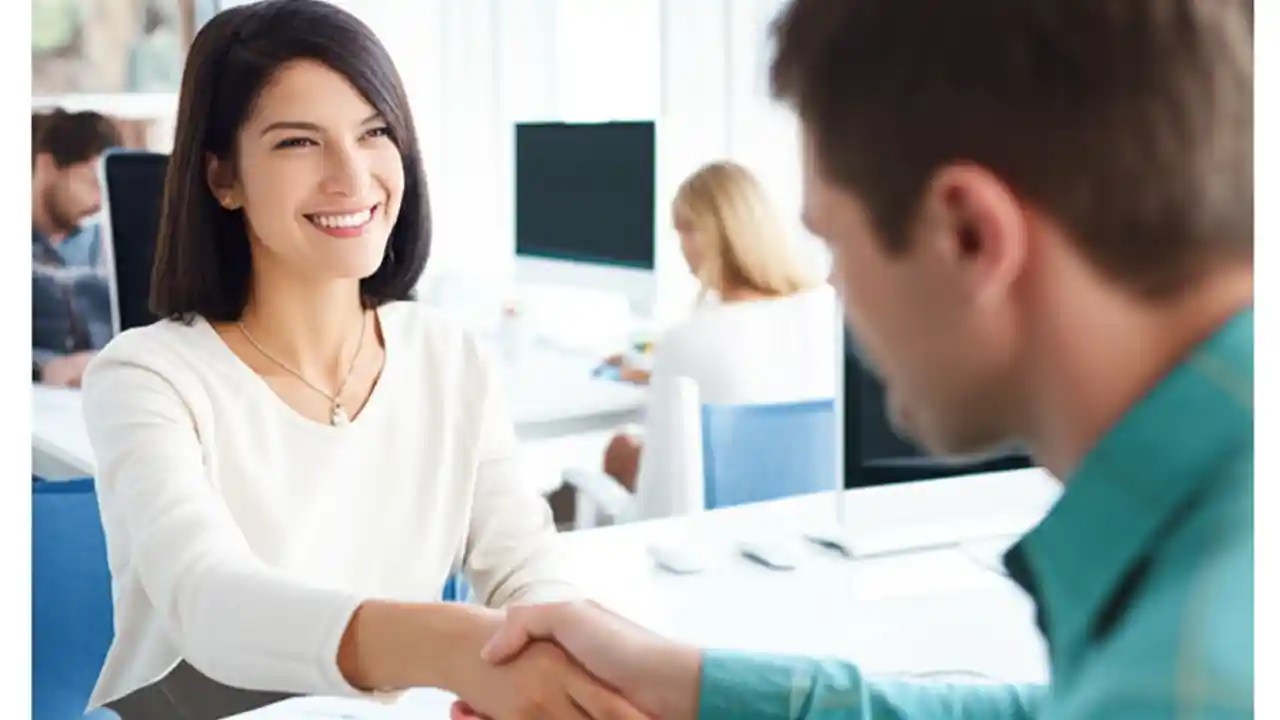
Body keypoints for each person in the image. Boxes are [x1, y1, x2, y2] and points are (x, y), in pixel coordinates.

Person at [463, 0, 1254, 718]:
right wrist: (694, 689)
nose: (834, 284)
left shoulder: (1189, 676)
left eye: (835, 239)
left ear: (968, 237)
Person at [80, 2, 643, 718]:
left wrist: (562, 665)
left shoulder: (448, 356)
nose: (353, 176)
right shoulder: (146, 376)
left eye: (374, 132)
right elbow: (210, 601)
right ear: (223, 177)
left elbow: (529, 570)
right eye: (297, 143)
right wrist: (459, 650)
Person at [602, 161, 837, 519]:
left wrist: (629, 462)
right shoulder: (826, 312)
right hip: (810, 528)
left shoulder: (686, 341)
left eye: (684, 231)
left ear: (709, 235)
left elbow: (660, 504)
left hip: (715, 542)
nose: (680, 248)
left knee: (618, 449)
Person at [32, 108, 121, 386]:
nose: (99, 202)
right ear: (47, 166)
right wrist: (41, 368)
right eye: (92, 183)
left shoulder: (107, 246)